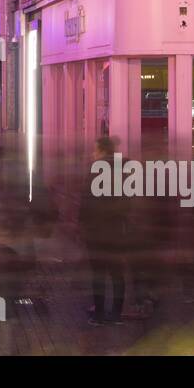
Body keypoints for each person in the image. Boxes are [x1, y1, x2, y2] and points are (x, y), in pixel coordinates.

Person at [79, 135, 128, 325]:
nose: (93, 153)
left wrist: (82, 224)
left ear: (103, 151)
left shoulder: (95, 170)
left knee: (98, 274)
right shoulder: (124, 170)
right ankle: (116, 313)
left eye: (95, 150)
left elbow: (86, 200)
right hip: (116, 229)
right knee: (117, 273)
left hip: (97, 231)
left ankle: (99, 313)